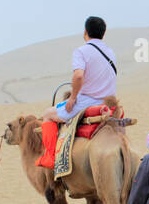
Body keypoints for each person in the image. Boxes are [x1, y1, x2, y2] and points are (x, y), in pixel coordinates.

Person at [36, 16, 117, 168]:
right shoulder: (111, 52)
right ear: (103, 34)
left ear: (85, 32)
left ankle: (51, 158)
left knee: (47, 114)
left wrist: (73, 98)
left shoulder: (81, 51)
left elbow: (78, 75)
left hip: (88, 103)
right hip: (108, 103)